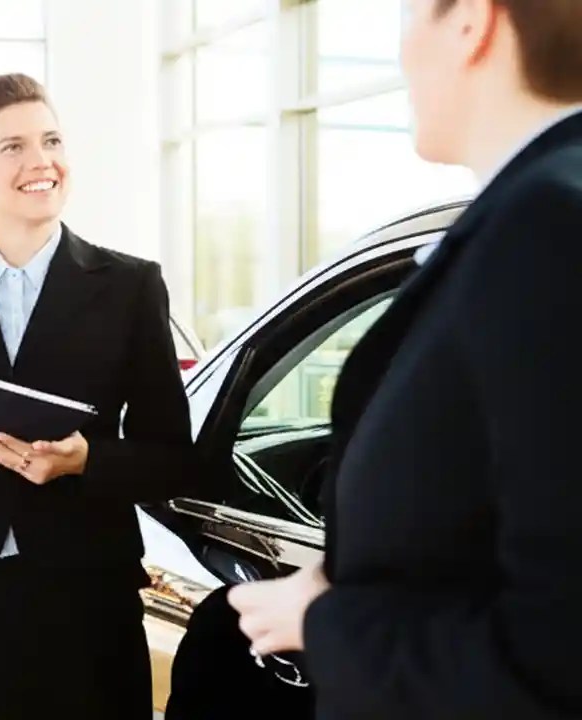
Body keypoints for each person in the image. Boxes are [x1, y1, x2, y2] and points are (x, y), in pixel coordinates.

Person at [226, 1, 582, 718]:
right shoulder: (530, 212)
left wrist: (320, 623)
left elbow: (560, 653)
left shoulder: (546, 228)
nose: (400, 50)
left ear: (471, 23)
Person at [0, 73, 199, 719]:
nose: (41, 161)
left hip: (88, 587)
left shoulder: (132, 286)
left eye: (51, 140)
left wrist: (85, 460)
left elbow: (171, 455)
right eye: (13, 147)